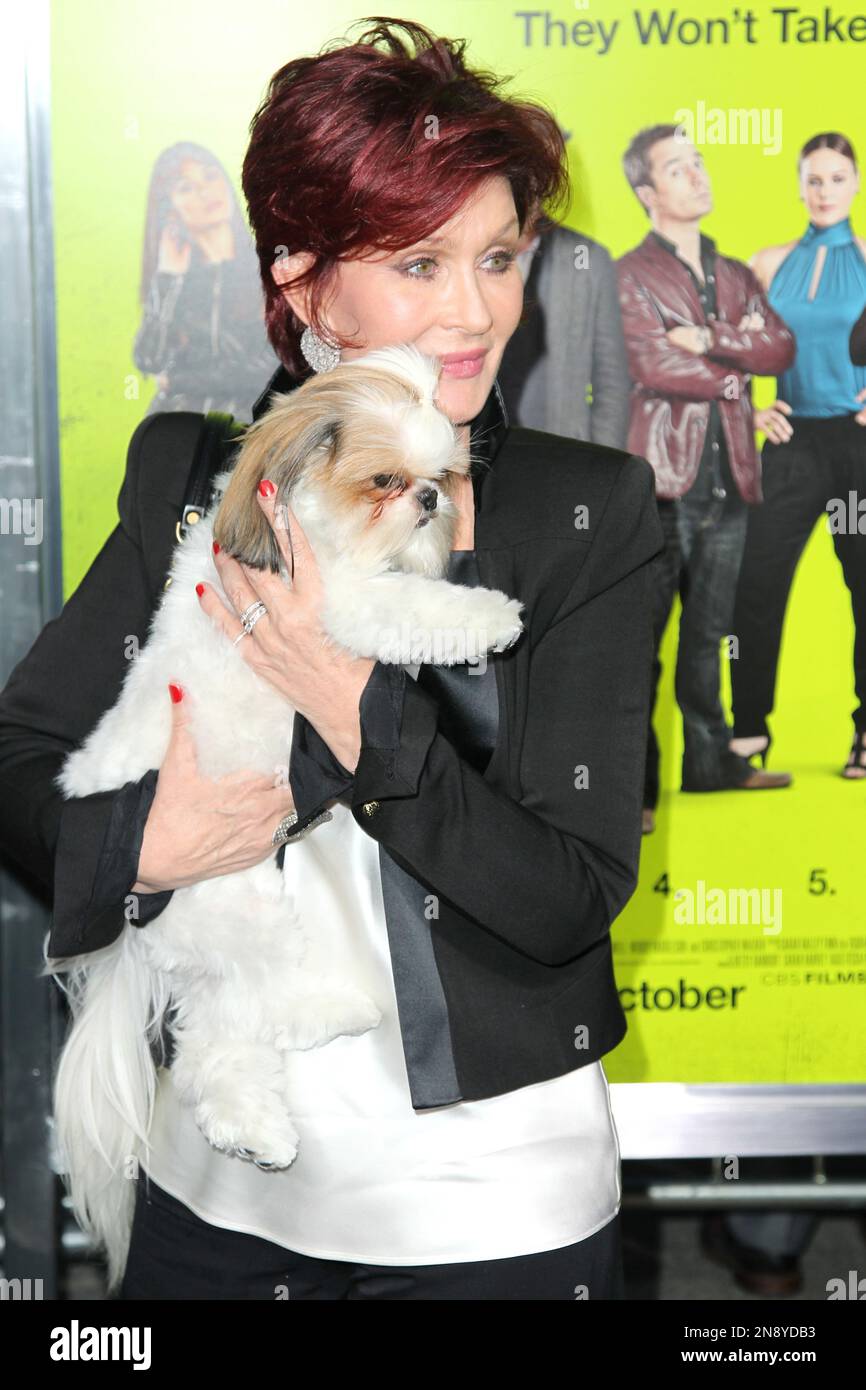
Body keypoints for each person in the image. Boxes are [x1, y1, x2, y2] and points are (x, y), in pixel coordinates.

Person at [0, 18, 663, 1301]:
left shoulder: (594, 513)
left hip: (493, 1213)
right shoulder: (190, 480)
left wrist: (354, 703)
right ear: (300, 279)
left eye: (498, 257)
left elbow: (567, 894)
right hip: (218, 1200)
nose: (474, 312)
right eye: (418, 263)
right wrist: (147, 841)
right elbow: (20, 756)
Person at [615, 125, 796, 832]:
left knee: (711, 635)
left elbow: (778, 343)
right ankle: (634, 789)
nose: (698, 175)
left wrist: (714, 338)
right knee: (641, 644)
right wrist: (737, 389)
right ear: (646, 191)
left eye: (699, 162)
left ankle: (712, 762)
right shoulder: (628, 274)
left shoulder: (735, 273)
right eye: (678, 168)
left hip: (730, 481)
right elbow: (652, 364)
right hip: (662, 483)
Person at [729, 132, 866, 780]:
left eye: (837, 179)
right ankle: (748, 734)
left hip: (856, 448)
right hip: (787, 447)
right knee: (754, 585)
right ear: (799, 183)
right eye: (813, 179)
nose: (824, 192)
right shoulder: (767, 263)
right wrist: (748, 411)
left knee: (865, 592)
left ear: (856, 184)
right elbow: (725, 351)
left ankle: (865, 736)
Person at [134, 141, 280, 421]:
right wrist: (168, 278)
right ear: (170, 211)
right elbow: (149, 360)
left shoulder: (270, 265)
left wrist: (179, 381)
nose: (205, 192)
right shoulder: (174, 281)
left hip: (252, 434)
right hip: (177, 435)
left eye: (210, 176)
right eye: (186, 188)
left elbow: (269, 370)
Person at [498, 212, 632, 449]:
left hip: (558, 452)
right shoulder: (467, 252)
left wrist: (600, 465)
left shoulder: (584, 255)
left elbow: (612, 380)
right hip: (477, 455)